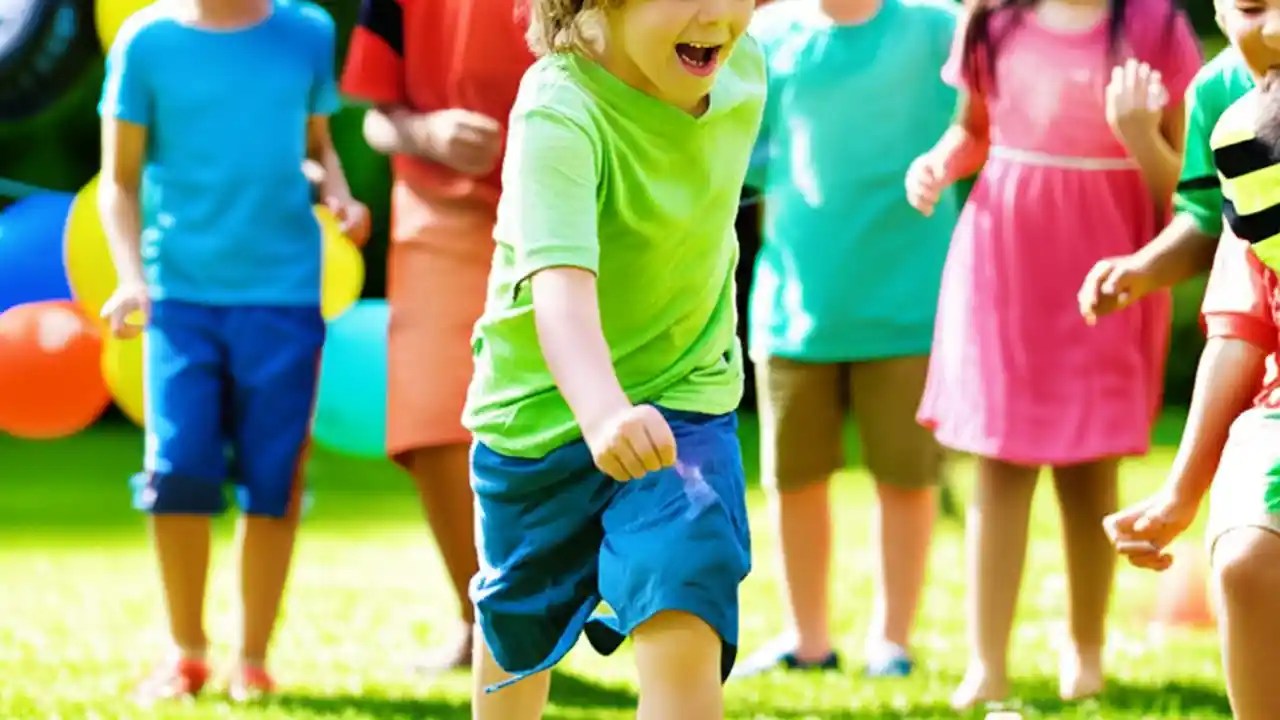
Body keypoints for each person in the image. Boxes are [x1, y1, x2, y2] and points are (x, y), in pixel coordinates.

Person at [460, 0, 762, 716]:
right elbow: (560, 288)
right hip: (542, 413)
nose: (715, 14)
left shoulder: (745, 68)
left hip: (686, 390)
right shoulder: (559, 110)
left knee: (687, 573)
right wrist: (601, 411)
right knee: (519, 624)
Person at [904, 0, 1201, 708]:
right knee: (1000, 465)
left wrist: (1137, 134)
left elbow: (1183, 195)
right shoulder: (990, 18)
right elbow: (971, 131)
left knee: (1091, 470)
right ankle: (987, 663)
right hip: (1005, 260)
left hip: (1108, 260)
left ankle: (1086, 649)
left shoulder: (1157, 26)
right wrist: (939, 164)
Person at [97, 0, 369, 702]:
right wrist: (132, 279)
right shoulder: (146, 41)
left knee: (273, 482)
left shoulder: (308, 32)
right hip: (180, 300)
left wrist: (338, 194)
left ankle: (251, 657)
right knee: (177, 470)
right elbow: (119, 183)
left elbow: (317, 146)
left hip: (284, 298)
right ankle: (186, 653)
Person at [735, 0, 958, 679]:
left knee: (907, 478)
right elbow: (741, 153)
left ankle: (892, 642)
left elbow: (985, 124)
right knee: (793, 480)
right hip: (796, 305)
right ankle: (808, 641)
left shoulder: (938, 28)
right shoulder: (768, 36)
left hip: (910, 299)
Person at [339, 0, 534, 672]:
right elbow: (375, 118)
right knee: (431, 416)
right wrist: (427, 133)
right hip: (442, 206)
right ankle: (481, 617)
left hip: (583, 194)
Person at [1105, 3, 1280, 718]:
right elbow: (1238, 319)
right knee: (1245, 558)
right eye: (1253, 7)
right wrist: (1181, 493)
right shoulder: (1237, 123)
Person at [1078, 43, 1255, 321]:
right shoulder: (1216, 88)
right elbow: (1209, 217)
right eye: (1252, 9)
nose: (1273, 28)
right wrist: (1143, 269)